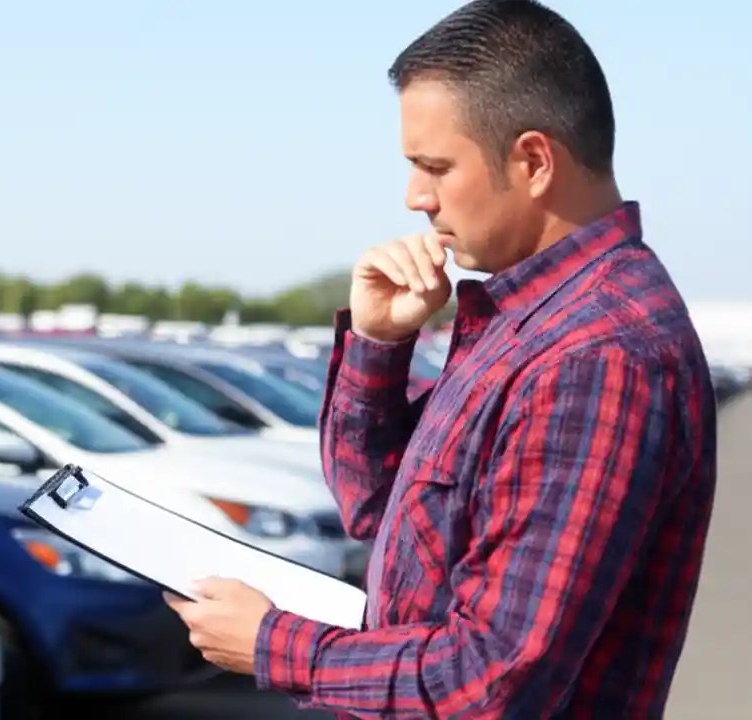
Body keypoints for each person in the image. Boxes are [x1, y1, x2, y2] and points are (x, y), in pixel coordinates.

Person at [164, 1, 718, 717]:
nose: (414, 197)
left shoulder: (596, 355)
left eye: (434, 166)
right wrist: (379, 343)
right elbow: (374, 509)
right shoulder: (534, 322)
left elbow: (492, 680)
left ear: (533, 160)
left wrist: (276, 643)